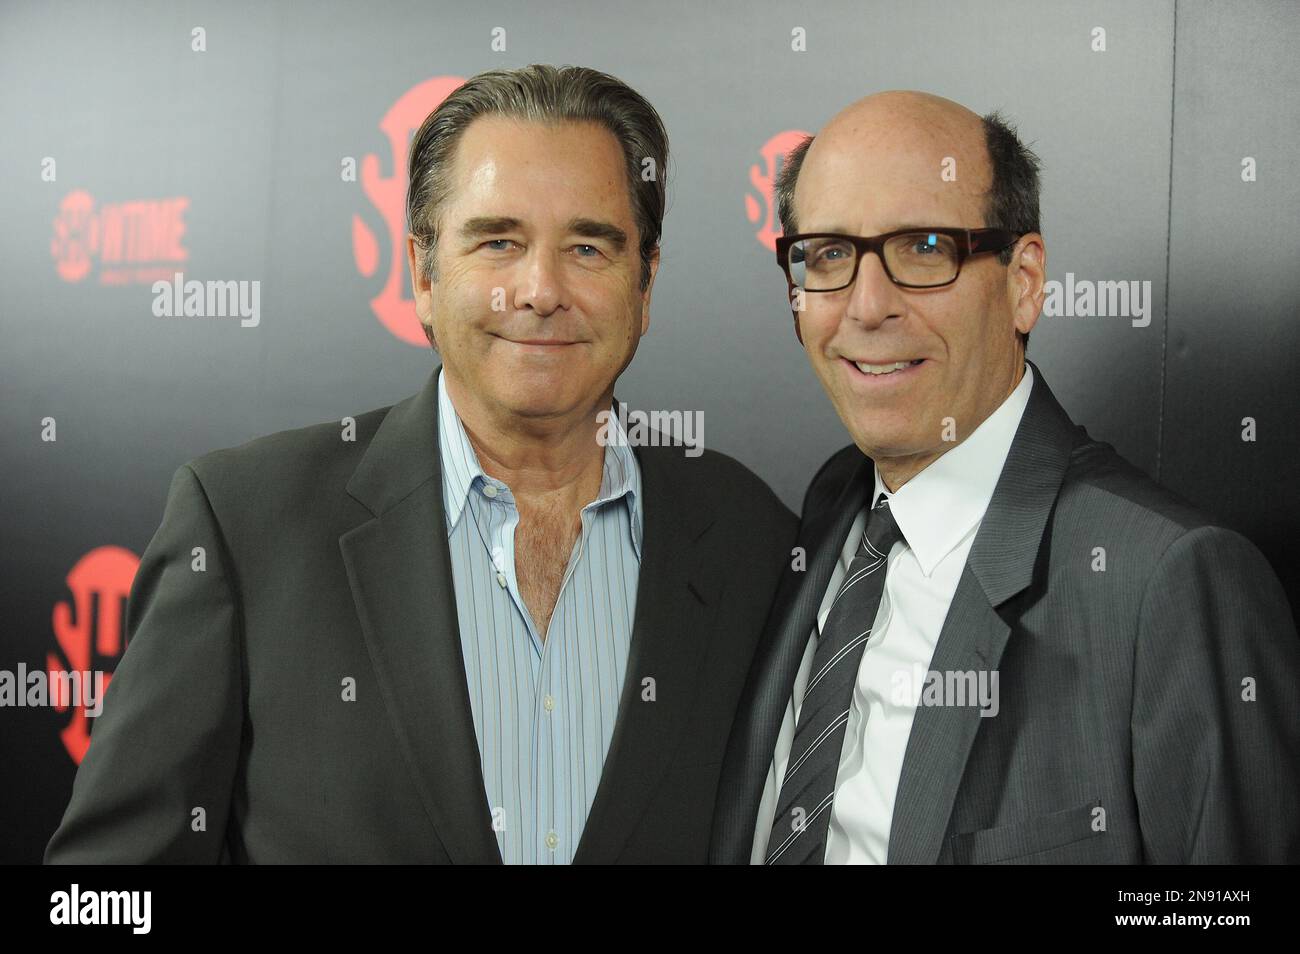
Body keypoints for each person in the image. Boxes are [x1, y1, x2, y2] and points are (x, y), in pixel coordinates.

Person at [45, 64, 795, 864]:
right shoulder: (242, 526)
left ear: (645, 285)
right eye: (498, 242)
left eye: (588, 246)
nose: (540, 290)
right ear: (423, 273)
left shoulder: (752, 538)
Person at [711, 90, 1300, 864]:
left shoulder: (1170, 581)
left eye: (924, 247)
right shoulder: (834, 503)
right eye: (827, 254)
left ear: (1023, 281)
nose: (866, 306)